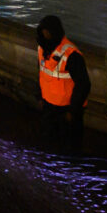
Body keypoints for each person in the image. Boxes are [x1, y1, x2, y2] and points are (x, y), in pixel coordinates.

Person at [36, 14, 89, 153]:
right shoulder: (42, 49)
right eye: (43, 32)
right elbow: (42, 73)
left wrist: (73, 110)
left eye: (47, 33)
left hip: (66, 109)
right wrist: (40, 96)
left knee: (70, 145)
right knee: (50, 140)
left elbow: (83, 85)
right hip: (49, 105)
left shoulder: (71, 54)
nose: (45, 35)